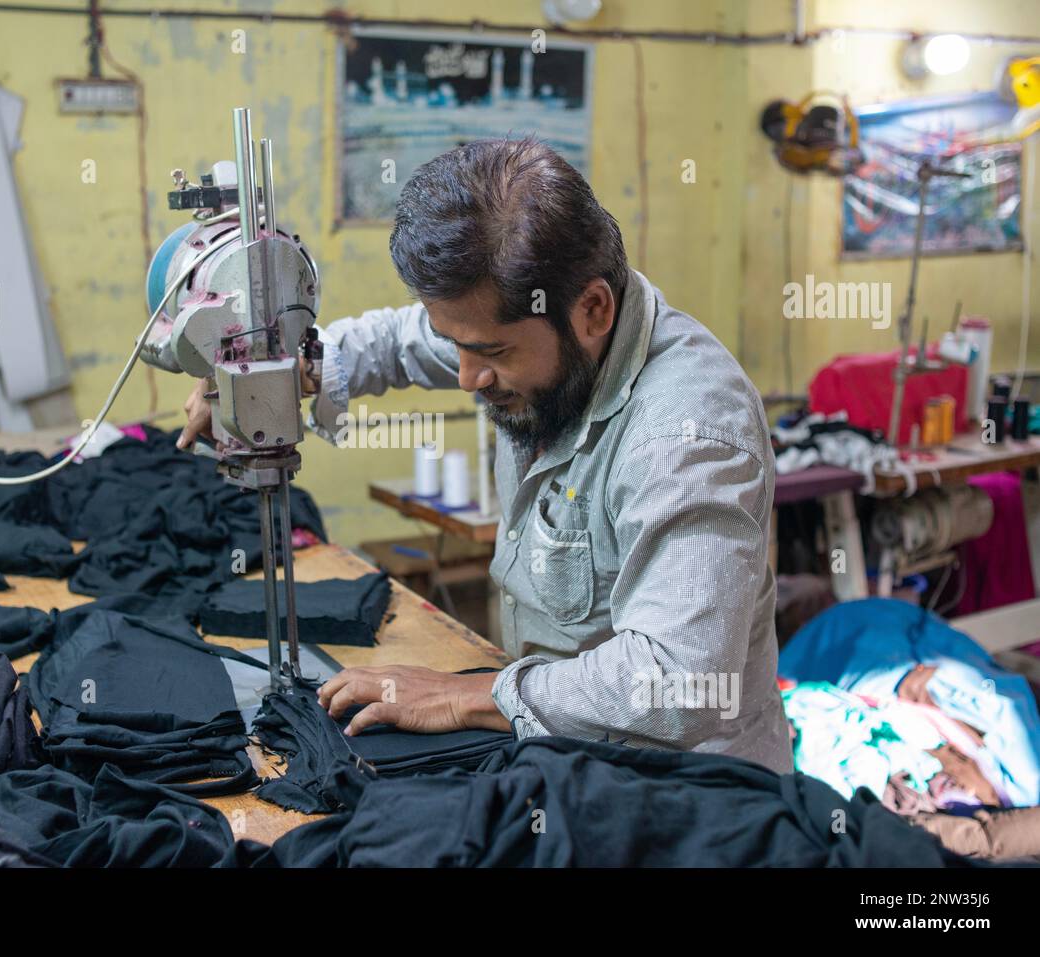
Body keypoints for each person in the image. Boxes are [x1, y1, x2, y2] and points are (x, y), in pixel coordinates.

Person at [180, 137, 793, 773]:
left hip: (690, 798)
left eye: (491, 354)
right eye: (457, 345)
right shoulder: (520, 323)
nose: (468, 376)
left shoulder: (685, 433)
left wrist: (467, 695)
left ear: (592, 309)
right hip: (562, 754)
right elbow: (398, 340)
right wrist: (273, 370)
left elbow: (676, 680)